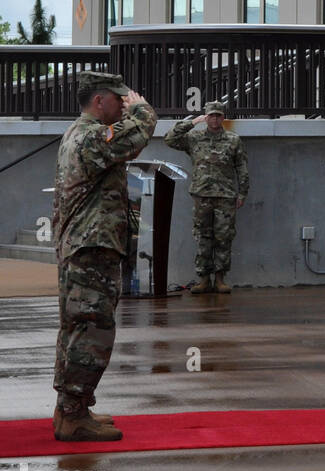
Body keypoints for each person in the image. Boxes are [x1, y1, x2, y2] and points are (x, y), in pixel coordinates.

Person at [52, 71, 157, 442]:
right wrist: (142, 109)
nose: (123, 104)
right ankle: (73, 416)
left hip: (83, 246)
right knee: (92, 330)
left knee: (77, 328)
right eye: (119, 98)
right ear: (100, 101)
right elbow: (136, 136)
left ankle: (72, 408)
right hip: (91, 248)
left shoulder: (75, 134)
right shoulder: (92, 137)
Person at [165, 101, 249, 293]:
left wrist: (242, 192)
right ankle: (203, 278)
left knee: (223, 237)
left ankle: (220, 278)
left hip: (225, 195)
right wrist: (192, 122)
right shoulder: (194, 137)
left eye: (218, 115)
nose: (215, 119)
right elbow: (170, 138)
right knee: (203, 237)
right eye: (211, 115)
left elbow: (241, 167)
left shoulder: (232, 140)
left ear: (223, 117)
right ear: (206, 117)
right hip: (201, 194)